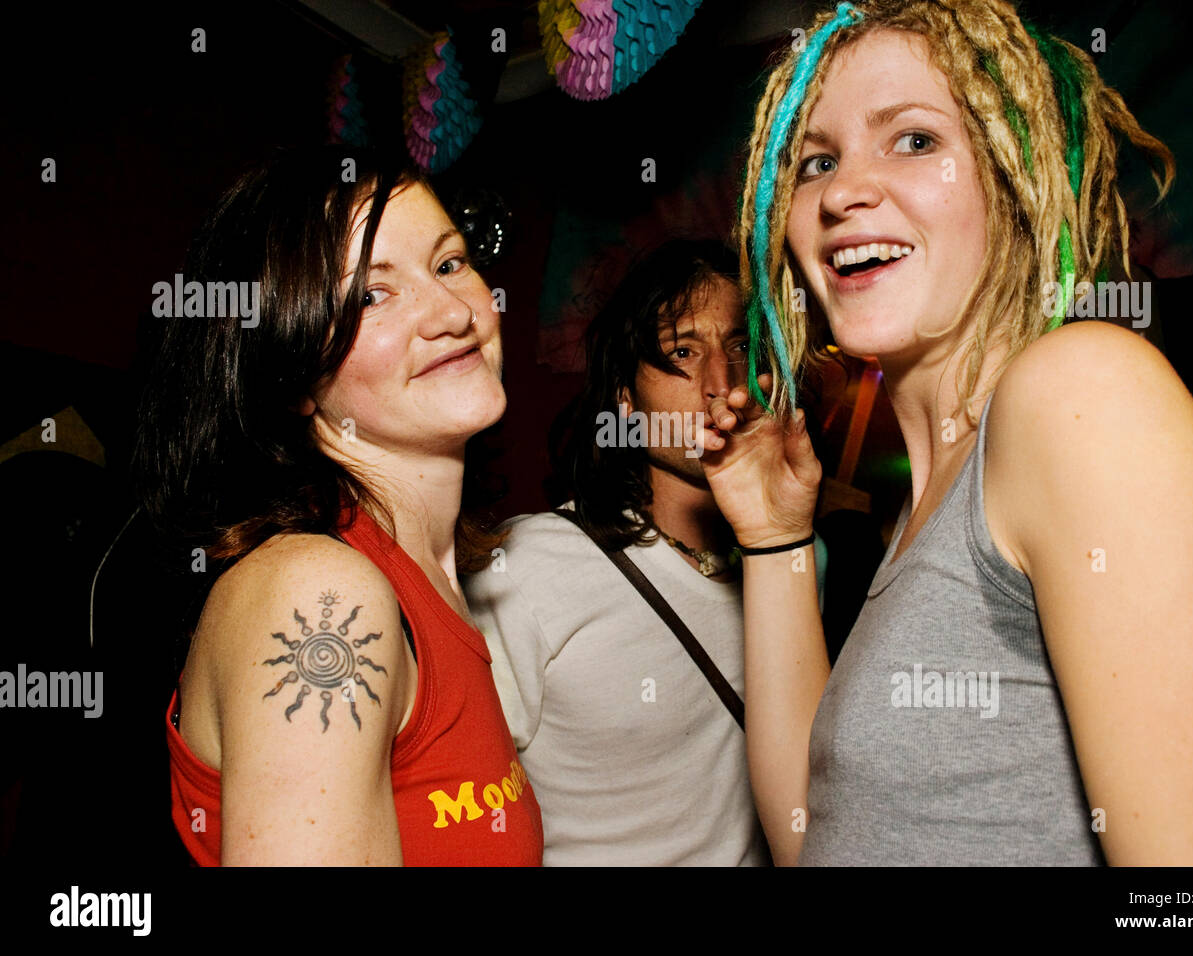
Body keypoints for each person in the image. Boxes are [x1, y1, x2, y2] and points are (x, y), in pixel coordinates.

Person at [693, 0, 1193, 865]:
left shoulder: (1079, 393)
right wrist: (773, 538)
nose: (842, 192)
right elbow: (817, 832)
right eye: (816, 161)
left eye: (912, 139)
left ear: (1011, 181)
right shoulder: (922, 505)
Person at [134, 147, 543, 865]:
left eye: (449, 264)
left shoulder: (431, 585)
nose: (452, 312)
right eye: (370, 296)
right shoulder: (319, 593)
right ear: (291, 372)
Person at [464, 240, 776, 865]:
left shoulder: (790, 565)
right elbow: (459, 802)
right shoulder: (531, 566)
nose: (721, 383)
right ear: (626, 404)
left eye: (739, 347)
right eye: (682, 352)